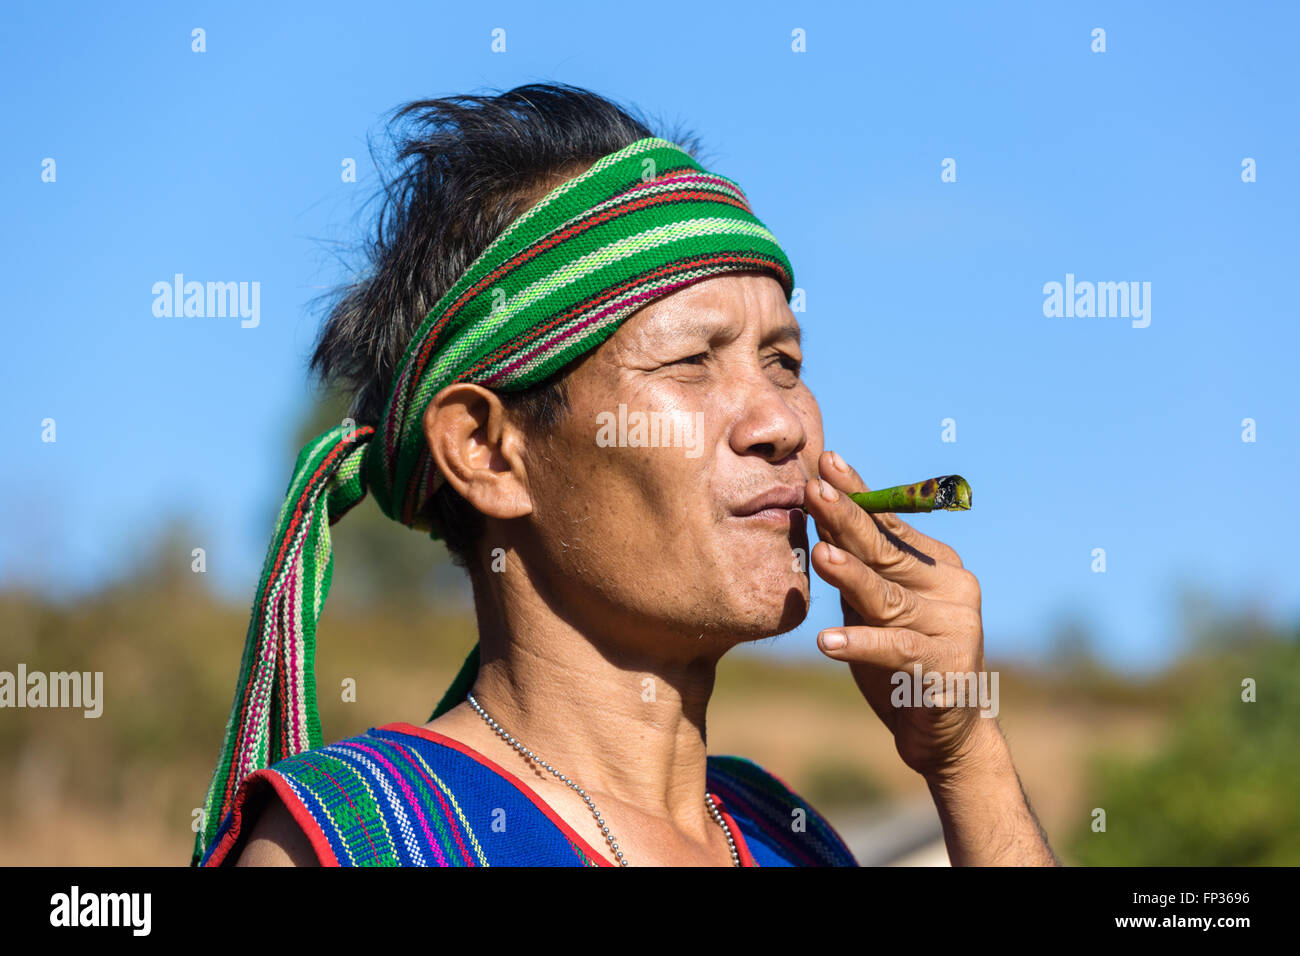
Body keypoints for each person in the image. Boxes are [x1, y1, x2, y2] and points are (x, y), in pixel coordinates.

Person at [193, 82, 1058, 868]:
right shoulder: (364, 843)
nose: (779, 424)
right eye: (691, 362)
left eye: (784, 363)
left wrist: (966, 757)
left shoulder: (791, 840)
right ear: (488, 452)